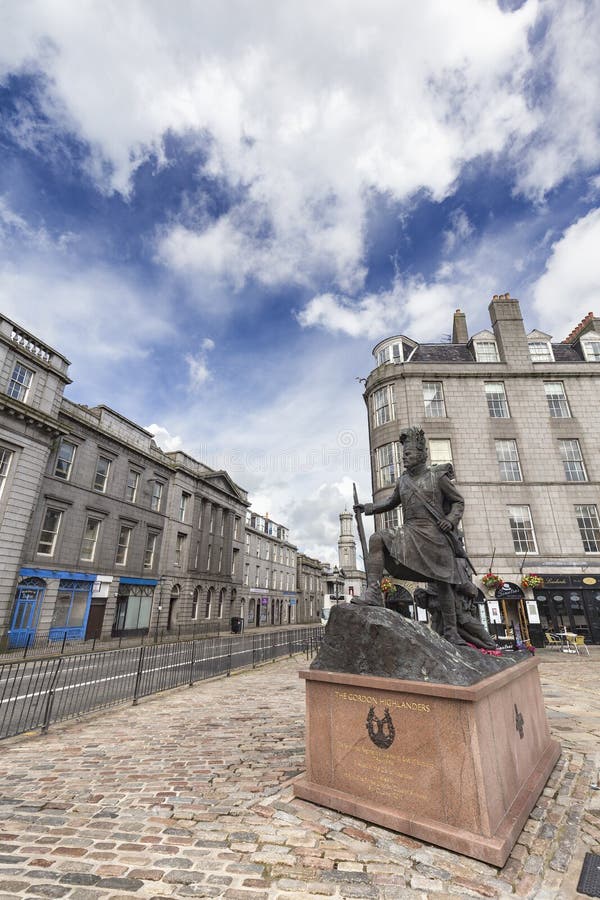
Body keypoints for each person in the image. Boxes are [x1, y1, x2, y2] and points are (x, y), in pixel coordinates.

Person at [353, 425, 468, 646]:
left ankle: (452, 632)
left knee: (442, 583)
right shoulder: (403, 481)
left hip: (435, 533)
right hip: (411, 530)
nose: (404, 458)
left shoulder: (437, 476)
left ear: (421, 454)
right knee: (377, 538)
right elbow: (390, 502)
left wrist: (451, 520)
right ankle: (374, 592)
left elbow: (458, 501)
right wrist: (367, 508)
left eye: (408, 454)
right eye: (403, 455)